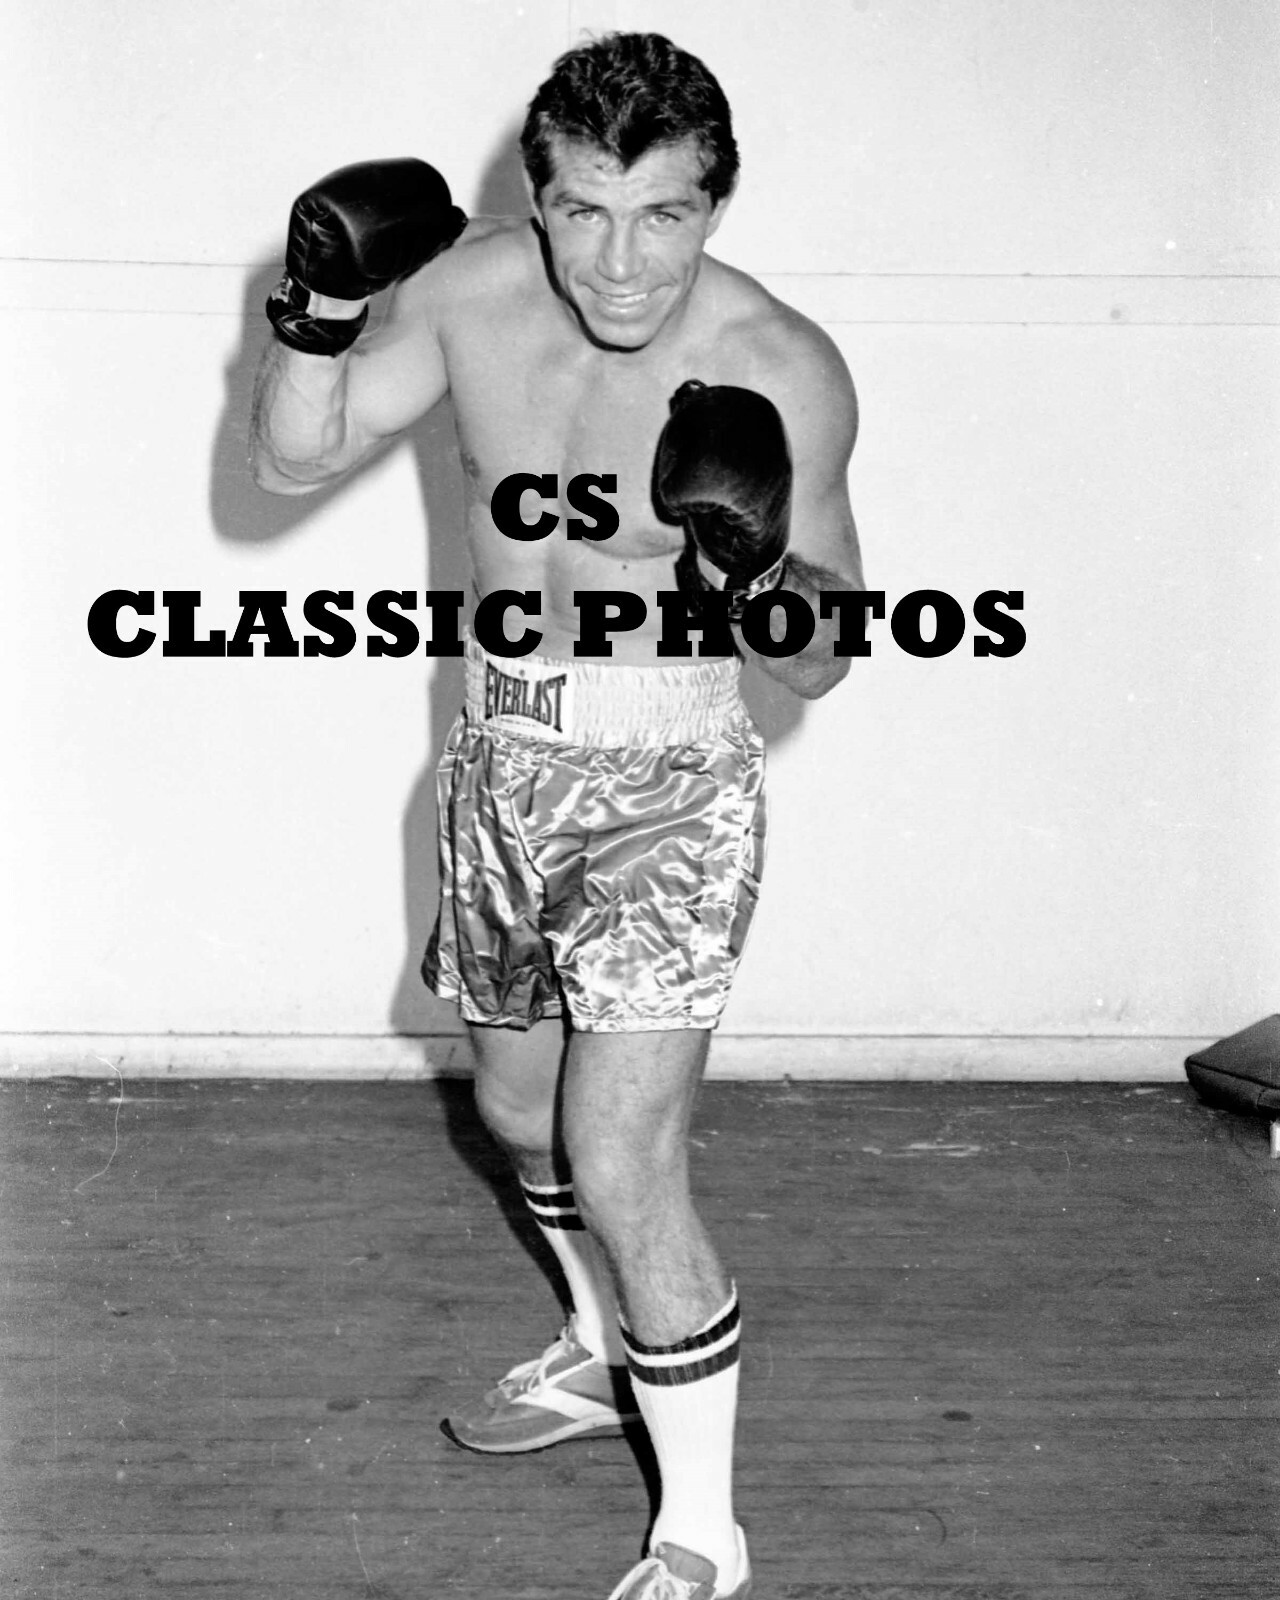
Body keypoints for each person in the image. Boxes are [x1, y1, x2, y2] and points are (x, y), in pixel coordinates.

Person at [250, 31, 862, 1600]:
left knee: (620, 1150)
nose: (625, 259)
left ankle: (703, 1537)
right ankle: (602, 1352)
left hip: (670, 781)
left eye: (665, 214)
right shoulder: (465, 293)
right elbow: (290, 450)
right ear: (537, 194)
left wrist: (753, 582)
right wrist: (314, 317)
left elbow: (829, 655)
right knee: (520, 1120)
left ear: (715, 205)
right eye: (587, 210)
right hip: (502, 760)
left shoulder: (782, 363)